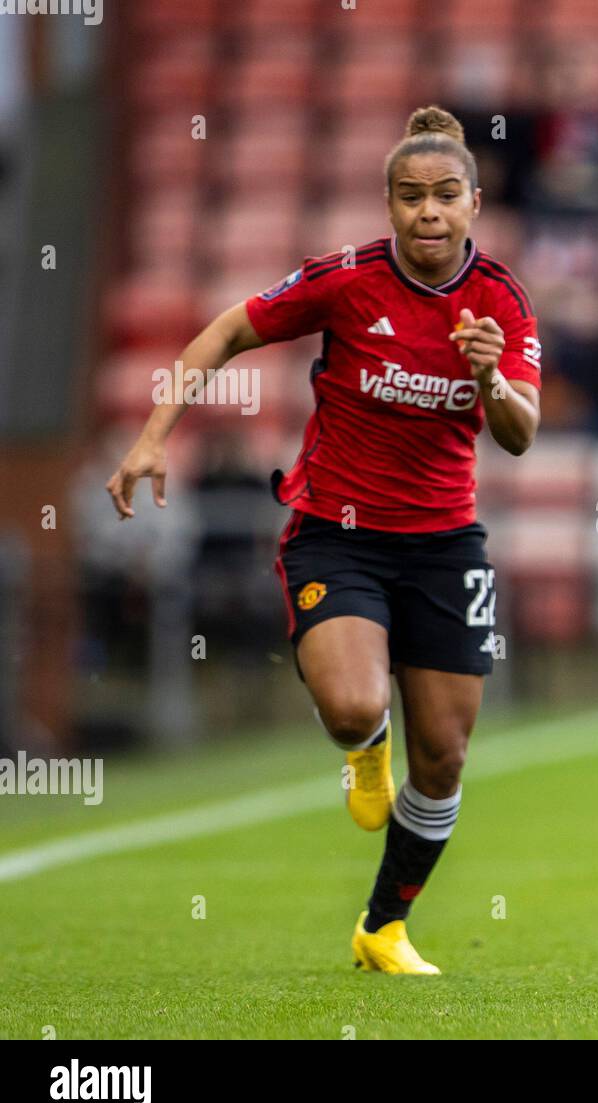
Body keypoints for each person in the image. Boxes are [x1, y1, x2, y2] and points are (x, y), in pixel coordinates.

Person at [106, 106, 542, 975]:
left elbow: (521, 434)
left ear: (475, 202)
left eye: (446, 196)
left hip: (446, 543)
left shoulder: (500, 301)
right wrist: (153, 435)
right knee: (352, 703)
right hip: (336, 534)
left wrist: (490, 374)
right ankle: (361, 749)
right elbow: (228, 328)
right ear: (388, 205)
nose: (429, 212)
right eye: (412, 197)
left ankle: (383, 927)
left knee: (447, 756)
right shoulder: (345, 281)